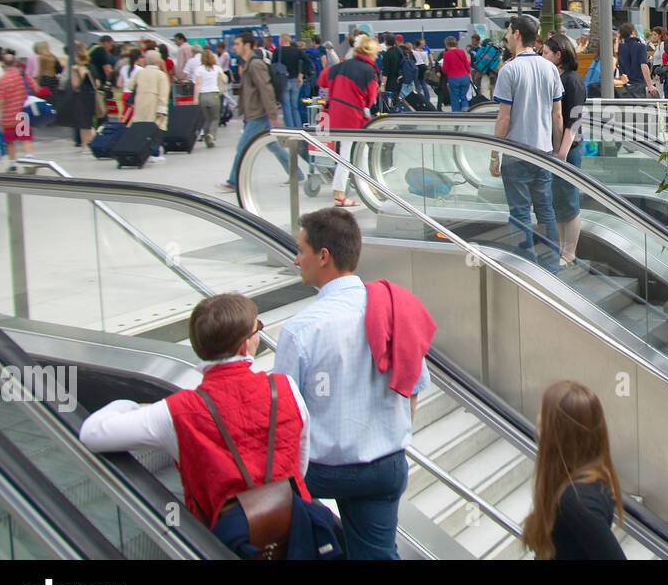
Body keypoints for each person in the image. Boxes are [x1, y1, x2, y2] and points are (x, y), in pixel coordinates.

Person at [81, 292, 314, 548]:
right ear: (243, 345)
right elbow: (299, 466)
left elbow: (92, 433)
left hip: (226, 542)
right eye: (256, 328)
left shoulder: (176, 412)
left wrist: (130, 405)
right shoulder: (285, 388)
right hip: (294, 532)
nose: (259, 333)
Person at [274, 208, 435, 560]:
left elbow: (284, 415)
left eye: (301, 250)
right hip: (385, 464)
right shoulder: (394, 308)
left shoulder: (302, 329)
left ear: (323, 256)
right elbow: (414, 385)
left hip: (320, 469)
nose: (296, 258)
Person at [489, 13, 564, 271]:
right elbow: (558, 115)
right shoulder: (550, 68)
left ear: (517, 33)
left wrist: (494, 154)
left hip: (516, 152)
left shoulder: (509, 70)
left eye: (509, 32)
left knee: (520, 212)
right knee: (545, 209)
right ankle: (551, 265)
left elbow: (504, 118)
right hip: (543, 153)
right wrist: (555, 150)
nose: (507, 37)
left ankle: (527, 266)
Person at [521, 381, 625, 560]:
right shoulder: (590, 479)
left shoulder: (576, 500)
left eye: (542, 423)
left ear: (557, 435)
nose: (537, 427)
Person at [220, 30, 297, 193]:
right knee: (273, 147)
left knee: (242, 147)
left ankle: (233, 181)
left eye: (237, 44)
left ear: (247, 45)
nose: (234, 47)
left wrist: (273, 115)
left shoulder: (255, 64)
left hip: (258, 114)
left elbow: (266, 89)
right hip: (254, 113)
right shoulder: (247, 64)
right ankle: (297, 173)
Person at [316, 33, 380, 206]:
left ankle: (370, 186)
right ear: (368, 52)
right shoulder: (369, 70)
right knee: (349, 153)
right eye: (375, 53)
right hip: (353, 115)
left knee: (360, 150)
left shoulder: (340, 65)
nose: (376, 56)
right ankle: (339, 194)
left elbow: (321, 80)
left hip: (336, 113)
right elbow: (370, 99)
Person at [544, 33, 586, 269]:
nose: (543, 57)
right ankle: (562, 248)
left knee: (568, 201)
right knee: (559, 201)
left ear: (559, 55)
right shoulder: (557, 78)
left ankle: (570, 252)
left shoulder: (572, 80)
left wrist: (561, 152)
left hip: (567, 150)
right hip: (556, 149)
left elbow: (574, 120)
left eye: (546, 53)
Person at [0, 56, 41, 164]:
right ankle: (29, 161)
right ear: (15, 63)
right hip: (23, 114)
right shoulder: (23, 74)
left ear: (4, 64)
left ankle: (12, 165)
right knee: (25, 139)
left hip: (8, 117)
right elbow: (36, 88)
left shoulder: (1, 80)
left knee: (10, 142)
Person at [129, 49, 171, 162]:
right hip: (154, 103)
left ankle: (141, 150)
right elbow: (163, 94)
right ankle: (154, 153)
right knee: (157, 129)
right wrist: (162, 109)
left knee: (141, 127)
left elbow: (129, 85)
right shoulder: (161, 75)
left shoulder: (140, 72)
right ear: (159, 61)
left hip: (140, 103)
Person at [193, 48, 226, 147]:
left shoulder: (199, 69)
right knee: (215, 118)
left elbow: (197, 84)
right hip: (214, 95)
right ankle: (211, 135)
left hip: (203, 96)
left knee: (206, 119)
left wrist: (195, 98)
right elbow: (224, 80)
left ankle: (208, 141)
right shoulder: (216, 68)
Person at [276, 34, 310, 128]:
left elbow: (273, 66)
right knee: (295, 107)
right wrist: (301, 74)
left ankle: (290, 128)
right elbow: (307, 61)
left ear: (281, 40)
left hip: (283, 81)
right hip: (295, 80)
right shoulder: (296, 51)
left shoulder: (278, 51)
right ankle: (298, 127)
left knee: (286, 107)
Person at [615, 22, 655, 98]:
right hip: (638, 84)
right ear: (633, 32)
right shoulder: (640, 46)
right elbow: (644, 65)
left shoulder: (619, 48)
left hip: (625, 84)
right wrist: (650, 85)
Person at [440, 35, 471, 112]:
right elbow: (466, 64)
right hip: (464, 77)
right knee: (464, 96)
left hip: (454, 78)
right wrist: (469, 75)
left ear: (446, 44)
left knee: (455, 98)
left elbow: (445, 70)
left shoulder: (446, 54)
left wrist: (441, 66)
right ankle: (466, 111)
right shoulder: (461, 51)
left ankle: (456, 115)